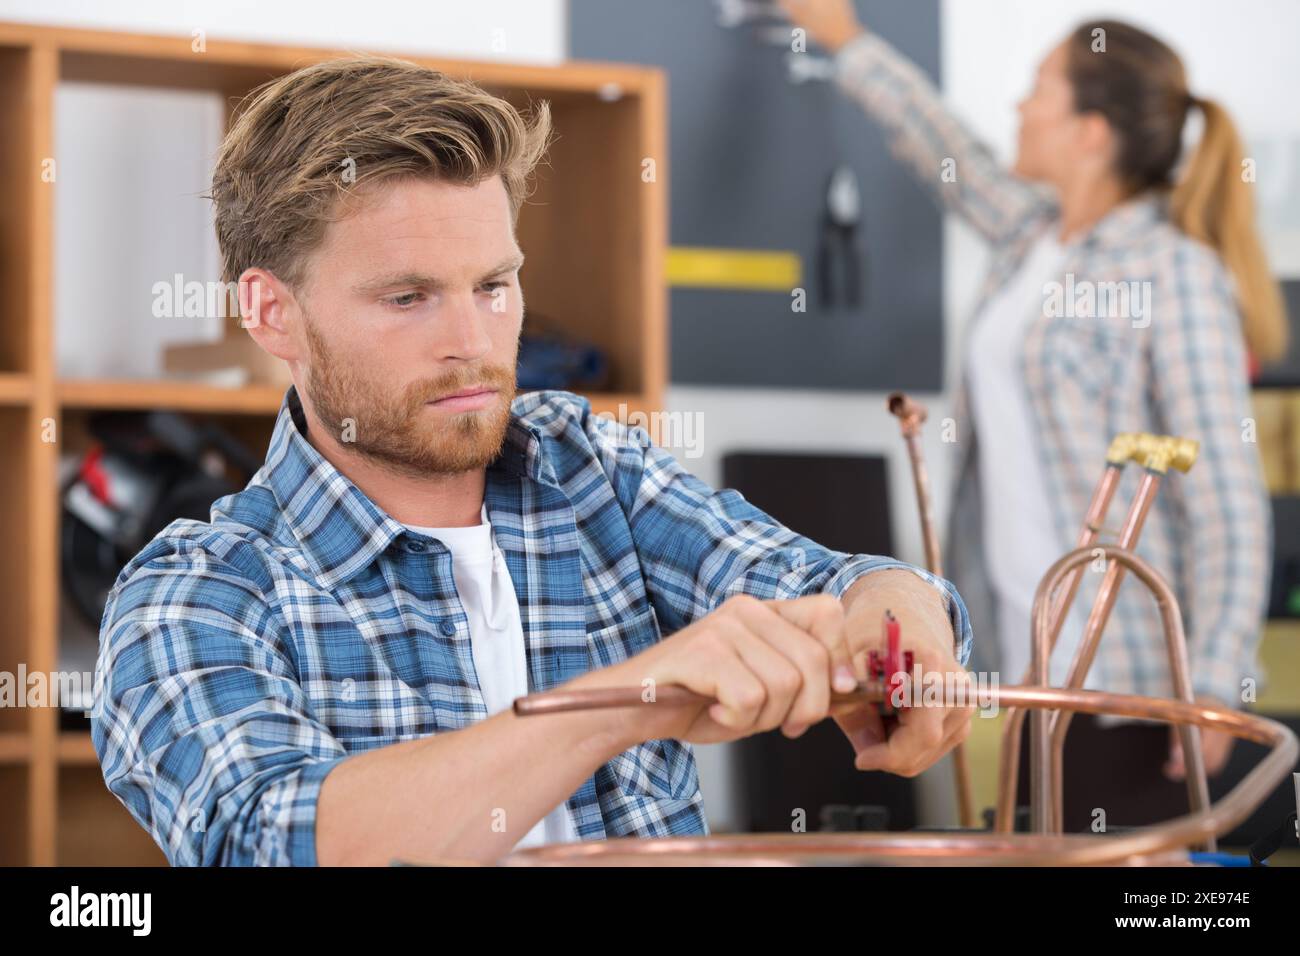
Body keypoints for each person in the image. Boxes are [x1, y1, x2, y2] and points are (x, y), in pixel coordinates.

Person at [89, 55, 975, 865]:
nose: (472, 343)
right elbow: (275, 843)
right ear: (271, 311)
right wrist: (627, 701)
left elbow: (844, 583)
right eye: (408, 298)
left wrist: (898, 625)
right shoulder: (194, 594)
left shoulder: (590, 472)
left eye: (493, 286)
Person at [781, 1, 1286, 823]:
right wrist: (845, 40)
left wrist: (1220, 685)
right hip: (1029, 667)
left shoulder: (1172, 272)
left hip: (1126, 687)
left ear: (1091, 130)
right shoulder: (1031, 238)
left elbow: (1227, 503)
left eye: (1039, 90)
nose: (1018, 106)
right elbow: (948, 147)